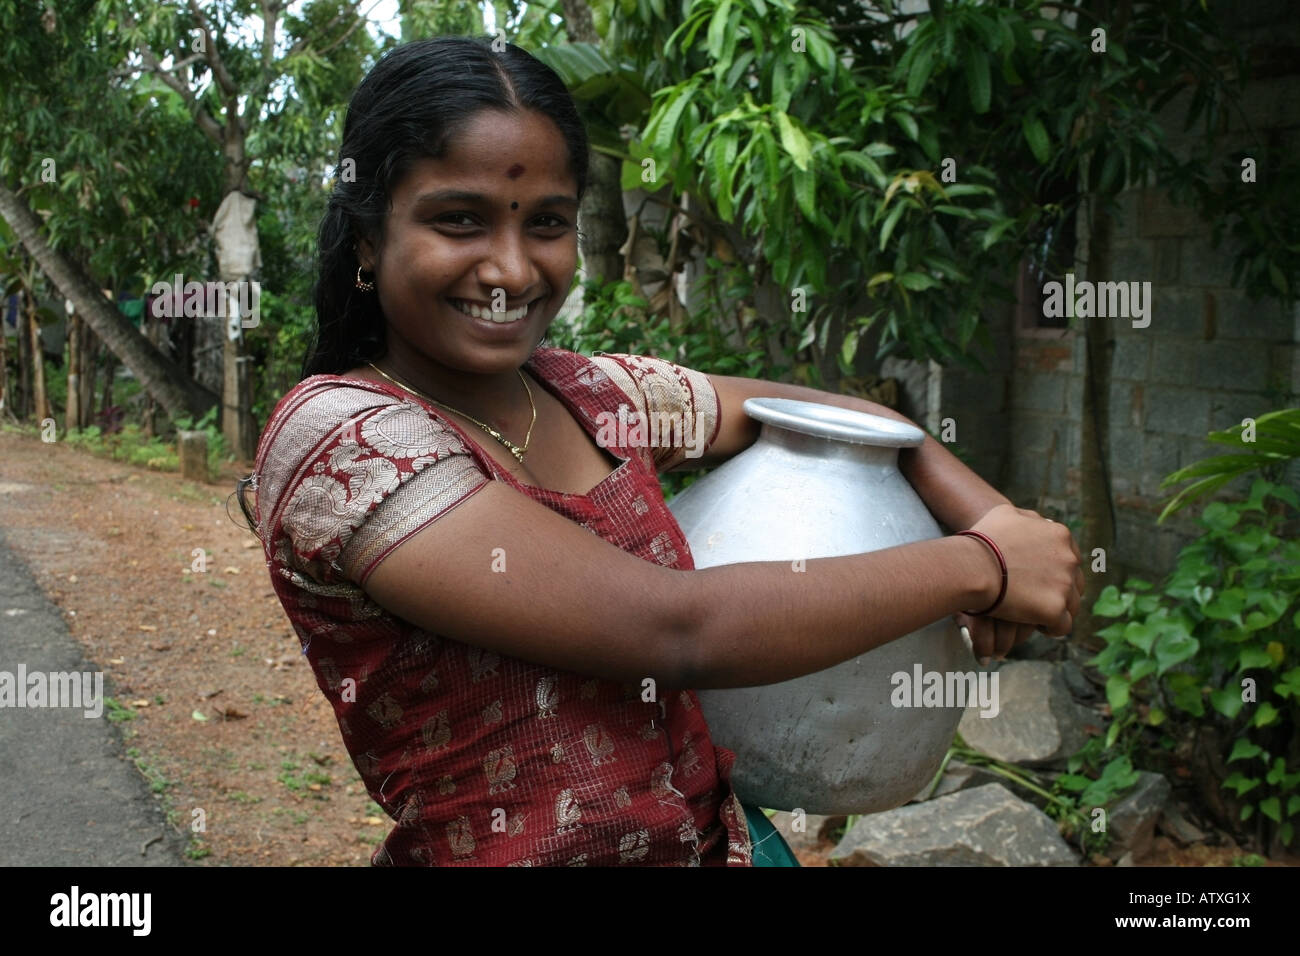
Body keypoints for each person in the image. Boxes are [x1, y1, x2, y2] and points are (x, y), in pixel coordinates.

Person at [237, 35, 1083, 867]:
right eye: (458, 220)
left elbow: (837, 416)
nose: (511, 267)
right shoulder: (344, 442)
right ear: (365, 238)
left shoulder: (596, 394)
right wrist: (981, 565)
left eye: (547, 224)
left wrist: (996, 517)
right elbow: (674, 630)